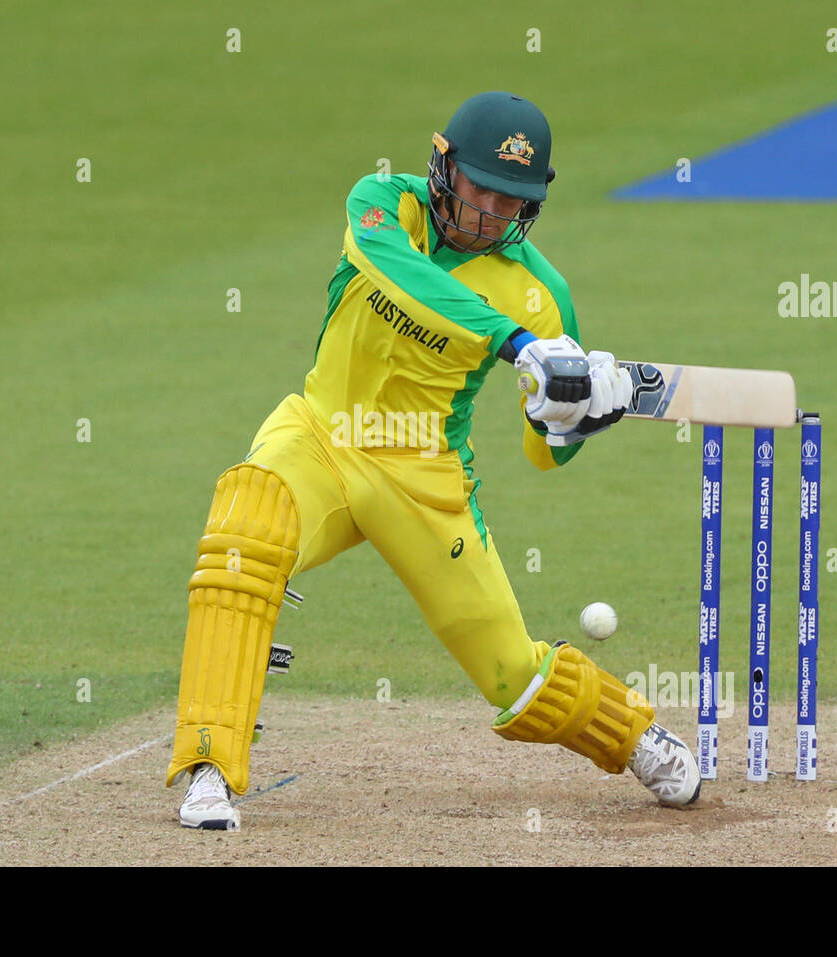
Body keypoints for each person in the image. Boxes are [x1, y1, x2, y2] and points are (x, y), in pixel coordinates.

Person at [168, 91, 700, 830]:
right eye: (480, 188)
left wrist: (577, 418)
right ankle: (208, 766)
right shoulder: (384, 204)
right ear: (443, 166)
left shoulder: (543, 297)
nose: (489, 214)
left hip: (424, 475)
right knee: (243, 526)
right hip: (318, 435)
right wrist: (516, 343)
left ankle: (635, 732)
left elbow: (546, 456)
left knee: (511, 673)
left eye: (511, 200)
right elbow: (405, 279)